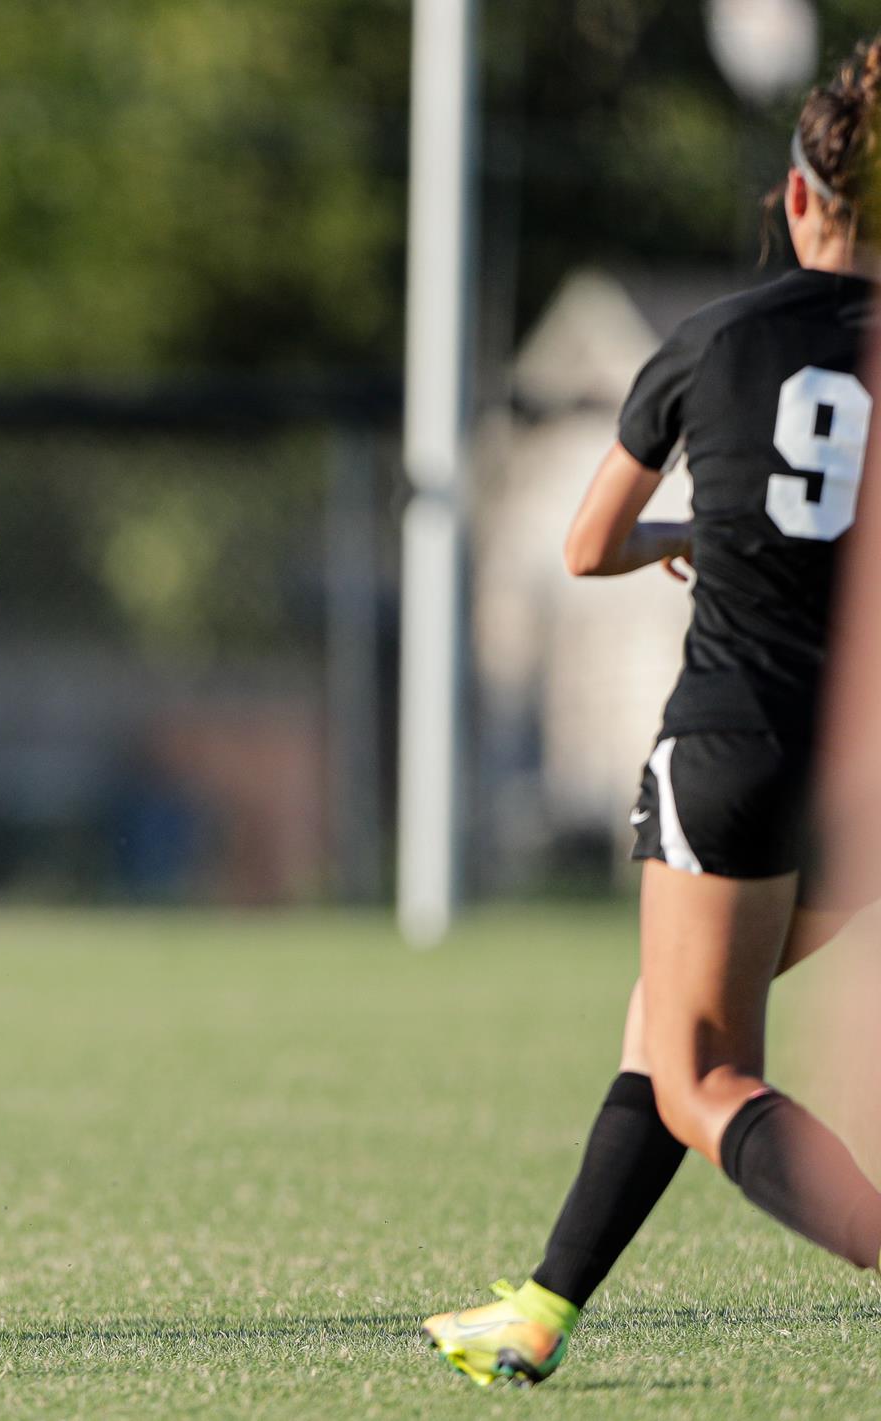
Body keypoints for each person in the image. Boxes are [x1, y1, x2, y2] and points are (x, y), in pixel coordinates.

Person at [422, 36, 881, 1387]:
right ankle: (539, 1311)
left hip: (734, 746)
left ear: (795, 197)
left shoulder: (716, 339)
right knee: (664, 1022)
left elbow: (583, 545)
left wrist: (691, 525)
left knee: (700, 1074)